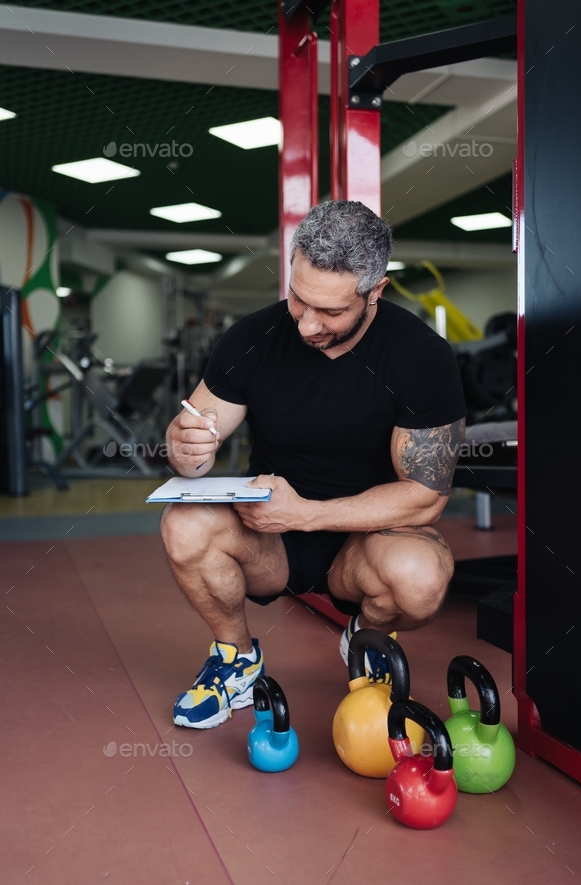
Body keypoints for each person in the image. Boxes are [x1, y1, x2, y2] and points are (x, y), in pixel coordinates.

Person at [161, 200, 466, 729]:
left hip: (366, 538)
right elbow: (194, 437)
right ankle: (236, 658)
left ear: (377, 292)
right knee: (183, 524)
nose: (305, 325)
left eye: (330, 312)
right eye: (298, 299)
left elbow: (426, 496)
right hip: (268, 536)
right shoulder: (251, 338)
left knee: (420, 580)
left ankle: (366, 636)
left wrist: (304, 514)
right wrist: (182, 445)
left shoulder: (421, 357)